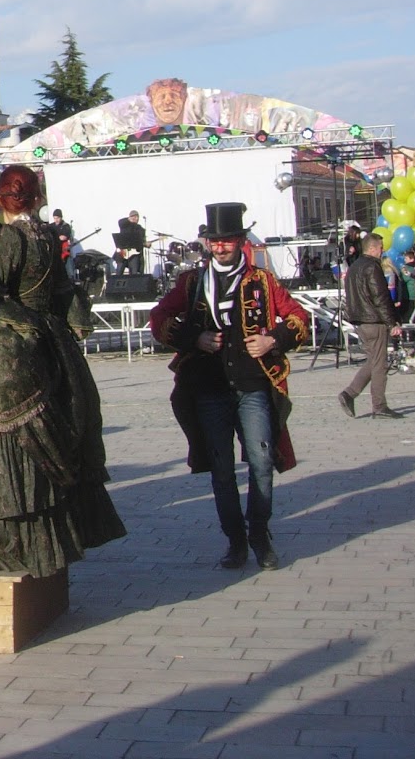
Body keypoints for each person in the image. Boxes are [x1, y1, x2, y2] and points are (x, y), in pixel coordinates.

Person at [0, 167, 126, 578]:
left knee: (59, 421)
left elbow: (51, 285)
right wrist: (27, 318)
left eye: (19, 193)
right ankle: (19, 538)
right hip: (21, 344)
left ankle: (42, 536)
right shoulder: (15, 237)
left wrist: (70, 316)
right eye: (19, 193)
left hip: (37, 342)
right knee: (30, 436)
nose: (21, 199)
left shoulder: (29, 235)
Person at [151, 201, 309, 570]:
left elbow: (298, 317)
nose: (220, 247)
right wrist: (194, 338)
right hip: (209, 388)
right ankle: (235, 540)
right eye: (214, 241)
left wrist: (273, 339)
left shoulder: (262, 281)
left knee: (262, 461)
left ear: (240, 241)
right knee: (222, 470)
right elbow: (159, 317)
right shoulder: (191, 283)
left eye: (227, 241)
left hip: (252, 385)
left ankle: (259, 533)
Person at [338, 233, 402, 420]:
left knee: (374, 359)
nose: (382, 250)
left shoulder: (355, 267)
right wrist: (392, 323)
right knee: (380, 364)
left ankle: (349, 394)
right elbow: (380, 297)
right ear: (372, 248)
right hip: (374, 321)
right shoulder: (372, 267)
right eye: (380, 247)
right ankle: (379, 406)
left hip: (360, 320)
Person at [114, 210, 147, 276]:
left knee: (134, 273)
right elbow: (120, 222)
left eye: (137, 217)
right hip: (123, 252)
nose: (136, 218)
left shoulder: (140, 229)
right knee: (119, 271)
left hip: (134, 253)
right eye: (134, 216)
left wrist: (145, 244)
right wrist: (129, 219)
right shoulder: (124, 225)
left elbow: (141, 241)